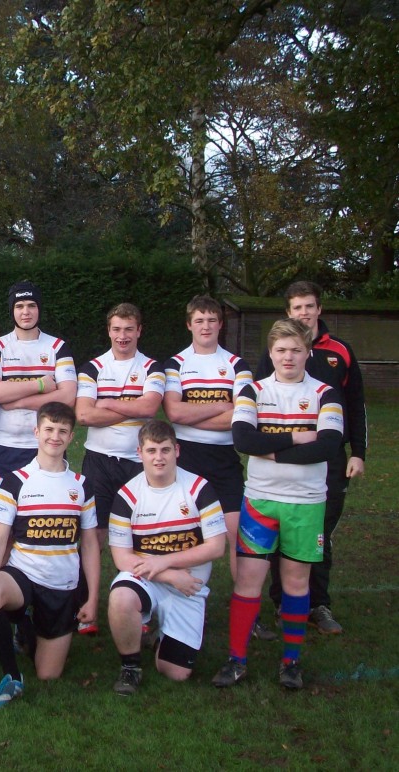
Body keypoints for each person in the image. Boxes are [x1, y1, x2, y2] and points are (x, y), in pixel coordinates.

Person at [213, 319, 343, 690]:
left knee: (296, 584)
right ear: (271, 353)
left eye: (296, 350)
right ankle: (236, 659)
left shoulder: (325, 393)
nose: (289, 357)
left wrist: (272, 449)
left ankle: (291, 662)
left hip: (305, 503)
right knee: (247, 582)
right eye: (281, 350)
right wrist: (298, 437)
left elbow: (329, 447)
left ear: (308, 352)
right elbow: (242, 440)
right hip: (261, 502)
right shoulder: (252, 391)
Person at [255, 281, 367, 635]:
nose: (304, 312)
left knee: (317, 533)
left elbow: (355, 405)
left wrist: (358, 453)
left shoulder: (340, 351)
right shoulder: (272, 352)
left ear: (319, 309)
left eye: (310, 306)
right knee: (277, 533)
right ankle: (282, 604)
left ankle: (318, 604)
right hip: (280, 457)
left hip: (328, 457)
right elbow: (257, 411)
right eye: (297, 307)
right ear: (289, 312)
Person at [0, 402, 100, 709]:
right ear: (36, 432)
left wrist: (93, 597)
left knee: (47, 674)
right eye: (49, 430)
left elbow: (90, 544)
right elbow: (0, 537)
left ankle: (26, 627)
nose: (54, 437)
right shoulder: (15, 481)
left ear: (73, 437)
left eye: (62, 431)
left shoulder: (82, 485)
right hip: (23, 573)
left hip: (62, 584)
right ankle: (12, 676)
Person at [107, 420, 226, 696]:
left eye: (165, 450)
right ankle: (130, 667)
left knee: (176, 673)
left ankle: (158, 637)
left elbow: (216, 547)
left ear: (177, 450)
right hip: (150, 577)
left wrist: (165, 561)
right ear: (140, 453)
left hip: (190, 585)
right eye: (151, 451)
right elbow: (122, 558)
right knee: (121, 596)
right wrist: (168, 572)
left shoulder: (199, 488)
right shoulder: (127, 496)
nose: (158, 458)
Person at [162, 295, 250, 579]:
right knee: (183, 533)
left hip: (225, 458)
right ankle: (183, 601)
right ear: (189, 325)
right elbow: (174, 412)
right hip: (186, 455)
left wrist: (196, 414)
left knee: (239, 534)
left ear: (220, 324)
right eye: (199, 320)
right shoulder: (175, 364)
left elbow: (243, 417)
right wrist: (222, 407)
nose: (206, 326)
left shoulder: (238, 365)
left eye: (212, 320)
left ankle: (246, 609)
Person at [76, 302, 165, 543]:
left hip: (137, 460)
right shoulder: (92, 368)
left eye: (128, 329)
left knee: (140, 531)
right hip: (98, 460)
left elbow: (150, 407)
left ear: (139, 331)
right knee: (95, 533)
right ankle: (89, 583)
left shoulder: (152, 367)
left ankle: (133, 580)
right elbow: (84, 415)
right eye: (117, 329)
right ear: (109, 331)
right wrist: (134, 407)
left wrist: (107, 403)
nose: (122, 336)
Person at [0, 281, 76, 477]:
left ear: (39, 309)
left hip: (47, 445)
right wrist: (40, 384)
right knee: (2, 506)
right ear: (12, 311)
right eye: (19, 306)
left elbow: (67, 397)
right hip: (4, 445)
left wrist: (17, 401)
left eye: (32, 305)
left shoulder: (58, 346)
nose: (26, 312)